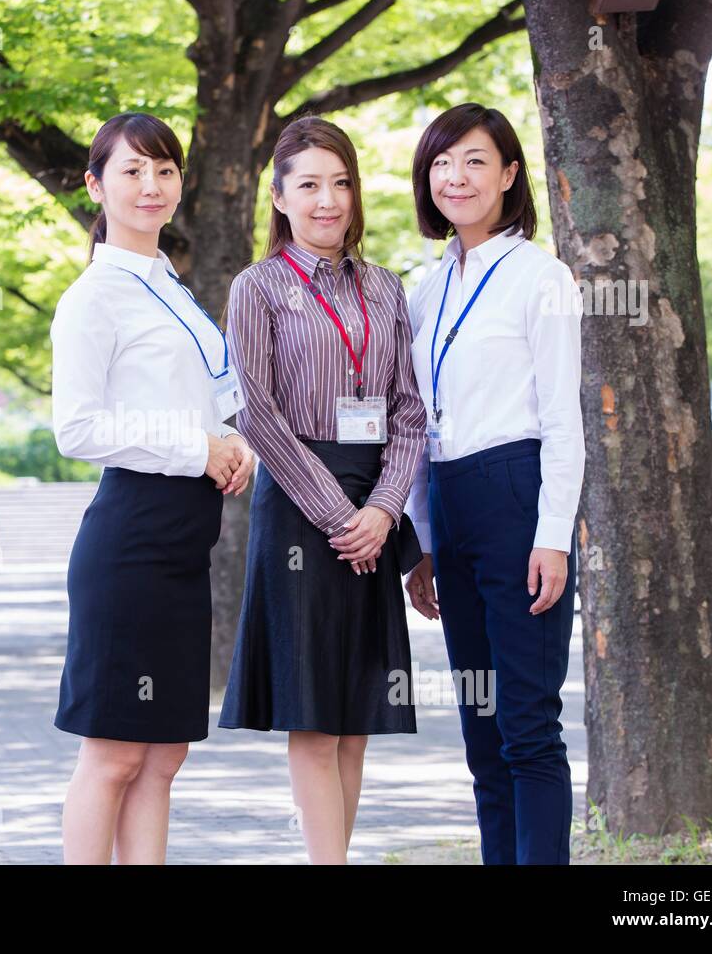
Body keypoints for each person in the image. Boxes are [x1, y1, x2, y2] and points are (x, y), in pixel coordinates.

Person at [218, 116, 426, 864]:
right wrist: (344, 516)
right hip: (304, 510)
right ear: (279, 198)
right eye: (308, 185)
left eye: (340, 183)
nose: (327, 200)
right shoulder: (258, 287)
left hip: (375, 500)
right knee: (314, 716)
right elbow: (256, 412)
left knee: (358, 708)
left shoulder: (385, 287)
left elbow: (409, 412)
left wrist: (384, 508)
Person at [50, 112, 257, 865]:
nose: (150, 185)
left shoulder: (174, 289)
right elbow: (76, 429)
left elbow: (217, 403)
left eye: (163, 170)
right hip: (130, 542)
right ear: (95, 185)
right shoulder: (93, 298)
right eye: (131, 170)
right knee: (112, 757)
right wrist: (195, 448)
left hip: (182, 547)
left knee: (164, 758)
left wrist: (237, 448)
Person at [403, 103, 584, 865]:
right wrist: (420, 539)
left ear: (510, 175)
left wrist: (552, 537)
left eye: (477, 161)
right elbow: (414, 419)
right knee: (481, 727)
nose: (458, 177)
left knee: (527, 726)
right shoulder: (422, 286)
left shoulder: (542, 277)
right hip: (448, 502)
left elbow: (563, 418)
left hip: (517, 495)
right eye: (444, 162)